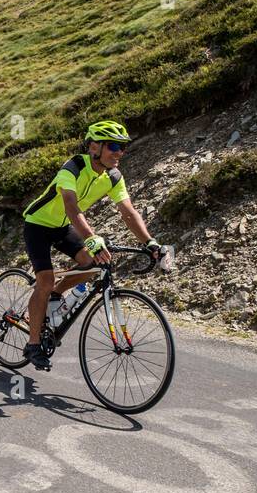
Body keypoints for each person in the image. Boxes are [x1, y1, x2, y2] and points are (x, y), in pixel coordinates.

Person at [21, 120, 163, 371]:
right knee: (44, 280)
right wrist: (91, 237)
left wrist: (149, 241)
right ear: (94, 147)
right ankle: (33, 344)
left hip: (63, 227)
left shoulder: (114, 176)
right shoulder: (73, 167)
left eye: (123, 148)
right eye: (114, 146)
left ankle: (56, 293)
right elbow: (71, 206)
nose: (120, 152)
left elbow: (128, 212)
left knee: (93, 264)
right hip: (38, 224)